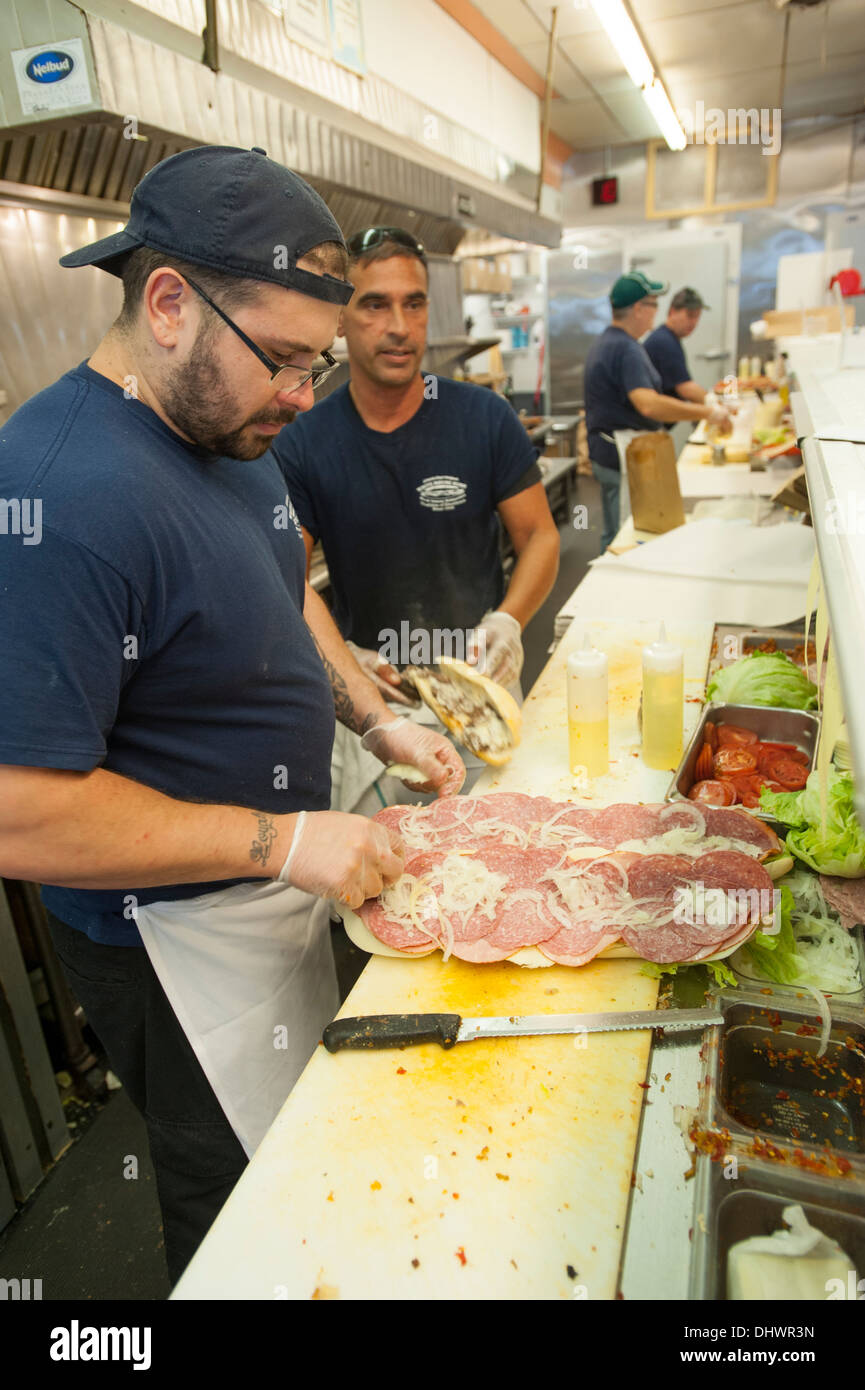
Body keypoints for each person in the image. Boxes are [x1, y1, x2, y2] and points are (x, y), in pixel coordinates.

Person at [0, 147, 464, 1286]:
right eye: (287, 360)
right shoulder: (58, 495)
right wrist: (286, 839)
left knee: (304, 1158)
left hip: (273, 893)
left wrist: (369, 716)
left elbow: (284, 582)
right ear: (169, 303)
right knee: (235, 1210)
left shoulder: (231, 428)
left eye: (318, 361)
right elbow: (20, 813)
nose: (305, 396)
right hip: (170, 947)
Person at [271, 225, 560, 810]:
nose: (399, 326)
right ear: (340, 319)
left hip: (483, 688)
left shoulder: (482, 418)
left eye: (414, 303)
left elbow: (540, 538)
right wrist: (344, 658)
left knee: (508, 857)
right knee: (393, 878)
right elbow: (286, 582)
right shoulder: (304, 441)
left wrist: (508, 622)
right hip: (380, 705)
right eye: (374, 304)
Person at [584, 271, 732, 552]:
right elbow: (649, 403)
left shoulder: (611, 341)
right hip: (619, 451)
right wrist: (707, 412)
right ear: (639, 309)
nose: (656, 312)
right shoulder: (624, 348)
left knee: (615, 528)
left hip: (609, 448)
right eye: (653, 304)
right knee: (623, 535)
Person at [643, 287, 709, 413]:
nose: (694, 322)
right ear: (673, 312)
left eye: (697, 317)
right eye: (690, 315)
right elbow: (686, 389)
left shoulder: (669, 338)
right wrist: (716, 404)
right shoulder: (664, 342)